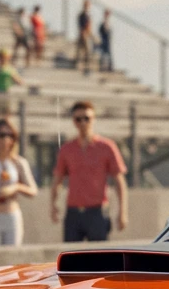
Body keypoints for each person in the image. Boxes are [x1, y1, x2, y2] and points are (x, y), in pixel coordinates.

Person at [50, 100, 128, 242]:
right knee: (71, 260)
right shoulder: (67, 149)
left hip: (97, 212)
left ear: (93, 119)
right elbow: (58, 179)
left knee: (99, 260)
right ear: (74, 121)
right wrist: (53, 205)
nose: (83, 123)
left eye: (87, 118)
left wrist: (122, 212)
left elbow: (119, 181)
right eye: (78, 119)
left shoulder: (107, 147)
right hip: (73, 212)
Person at [0, 48, 24, 113]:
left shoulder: (10, 68)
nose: (2, 59)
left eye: (4, 57)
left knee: (6, 111)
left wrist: (15, 79)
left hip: (6, 90)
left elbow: (19, 81)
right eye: (0, 57)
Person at [75, 0, 93, 73]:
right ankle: (80, 65)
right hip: (83, 34)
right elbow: (81, 25)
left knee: (86, 51)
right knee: (82, 50)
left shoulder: (88, 15)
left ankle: (85, 66)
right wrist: (83, 33)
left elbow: (89, 25)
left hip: (87, 34)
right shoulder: (82, 15)